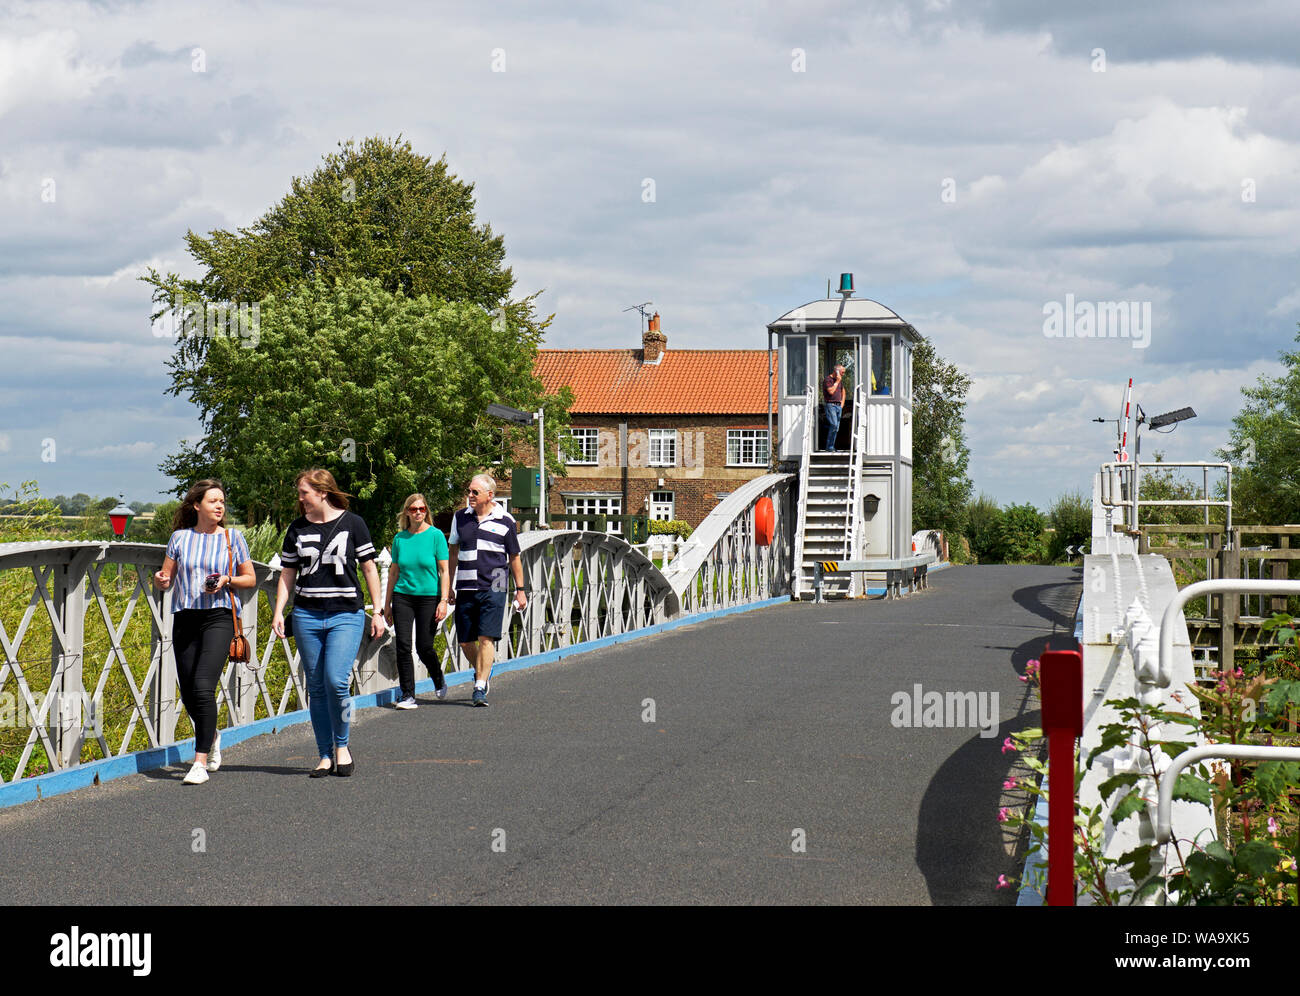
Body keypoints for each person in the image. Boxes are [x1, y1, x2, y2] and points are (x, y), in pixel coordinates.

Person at [271, 469, 386, 777]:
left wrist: (378, 611)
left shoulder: (353, 524)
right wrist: (279, 611)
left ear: (322, 492)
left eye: (304, 492)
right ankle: (323, 754)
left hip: (345, 614)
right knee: (317, 686)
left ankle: (342, 745)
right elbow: (287, 575)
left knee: (336, 680)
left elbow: (370, 569)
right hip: (307, 615)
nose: (300, 498)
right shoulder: (297, 528)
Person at [153, 479, 256, 786]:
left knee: (202, 686)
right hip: (185, 618)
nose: (219, 506)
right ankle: (211, 735)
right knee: (187, 693)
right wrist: (160, 580)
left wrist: (228, 580)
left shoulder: (232, 538)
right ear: (197, 505)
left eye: (222, 501)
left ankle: (198, 762)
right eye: (213, 501)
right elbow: (166, 577)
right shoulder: (179, 538)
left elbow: (250, 578)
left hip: (219, 618)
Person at [447, 474, 527, 706]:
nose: (469, 496)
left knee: (485, 637)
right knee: (464, 641)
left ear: (489, 495)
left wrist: (520, 590)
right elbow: (452, 552)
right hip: (465, 583)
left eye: (474, 492)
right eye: (468, 491)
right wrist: (449, 587)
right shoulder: (460, 518)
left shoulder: (506, 520)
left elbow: (514, 557)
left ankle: (479, 686)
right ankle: (483, 669)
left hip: (496, 583)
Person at [382, 493, 450, 709]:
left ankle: (438, 677)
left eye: (422, 509)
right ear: (407, 513)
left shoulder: (436, 536)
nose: (418, 512)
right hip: (403, 596)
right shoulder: (399, 539)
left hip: (429, 597)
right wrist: (386, 604)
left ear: (426, 511)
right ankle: (408, 694)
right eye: (414, 509)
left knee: (424, 646)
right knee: (402, 645)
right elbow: (393, 572)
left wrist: (444, 601)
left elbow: (444, 570)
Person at [823, 363, 846, 451]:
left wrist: (842, 404)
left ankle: (831, 446)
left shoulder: (840, 380)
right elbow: (831, 392)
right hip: (830, 405)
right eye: (842, 372)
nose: (843, 374)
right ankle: (829, 447)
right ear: (837, 371)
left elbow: (843, 392)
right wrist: (837, 381)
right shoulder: (828, 380)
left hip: (838, 406)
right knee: (834, 425)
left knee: (836, 428)